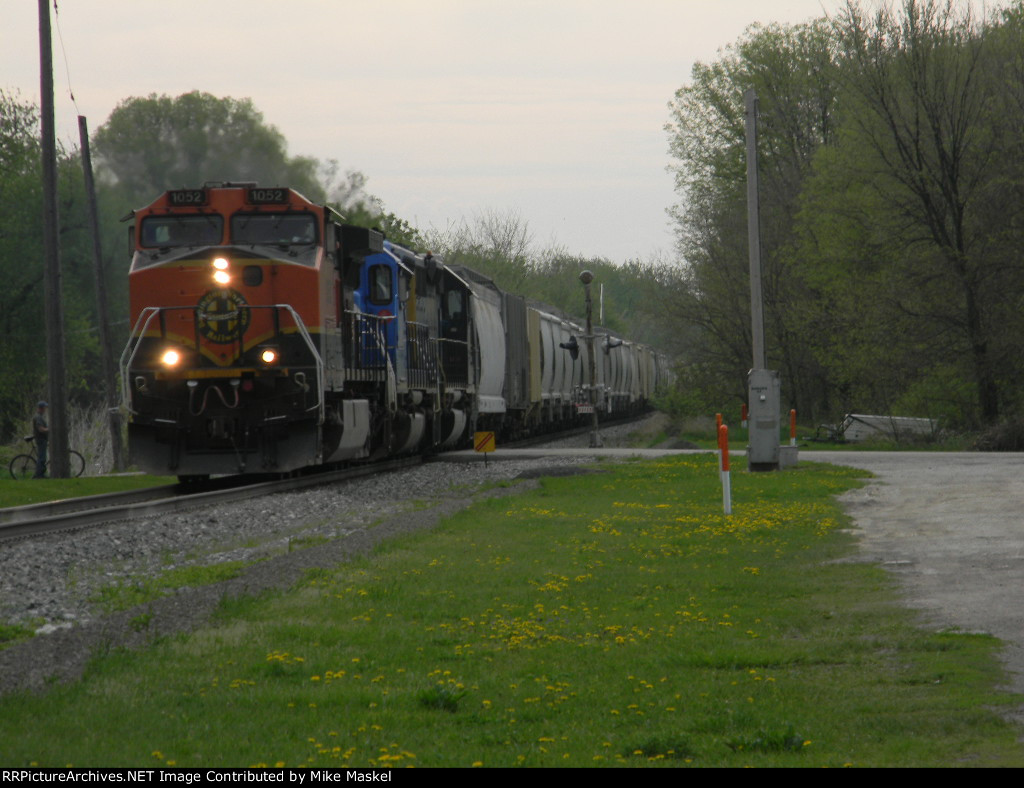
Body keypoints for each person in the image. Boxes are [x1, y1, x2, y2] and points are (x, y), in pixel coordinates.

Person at [32, 401, 49, 479]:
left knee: (42, 457)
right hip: (41, 439)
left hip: (42, 439)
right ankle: (39, 475)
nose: (45, 409)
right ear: (41, 408)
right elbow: (40, 429)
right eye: (45, 408)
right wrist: (49, 429)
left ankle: (40, 474)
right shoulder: (38, 417)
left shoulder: (39, 416)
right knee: (41, 458)